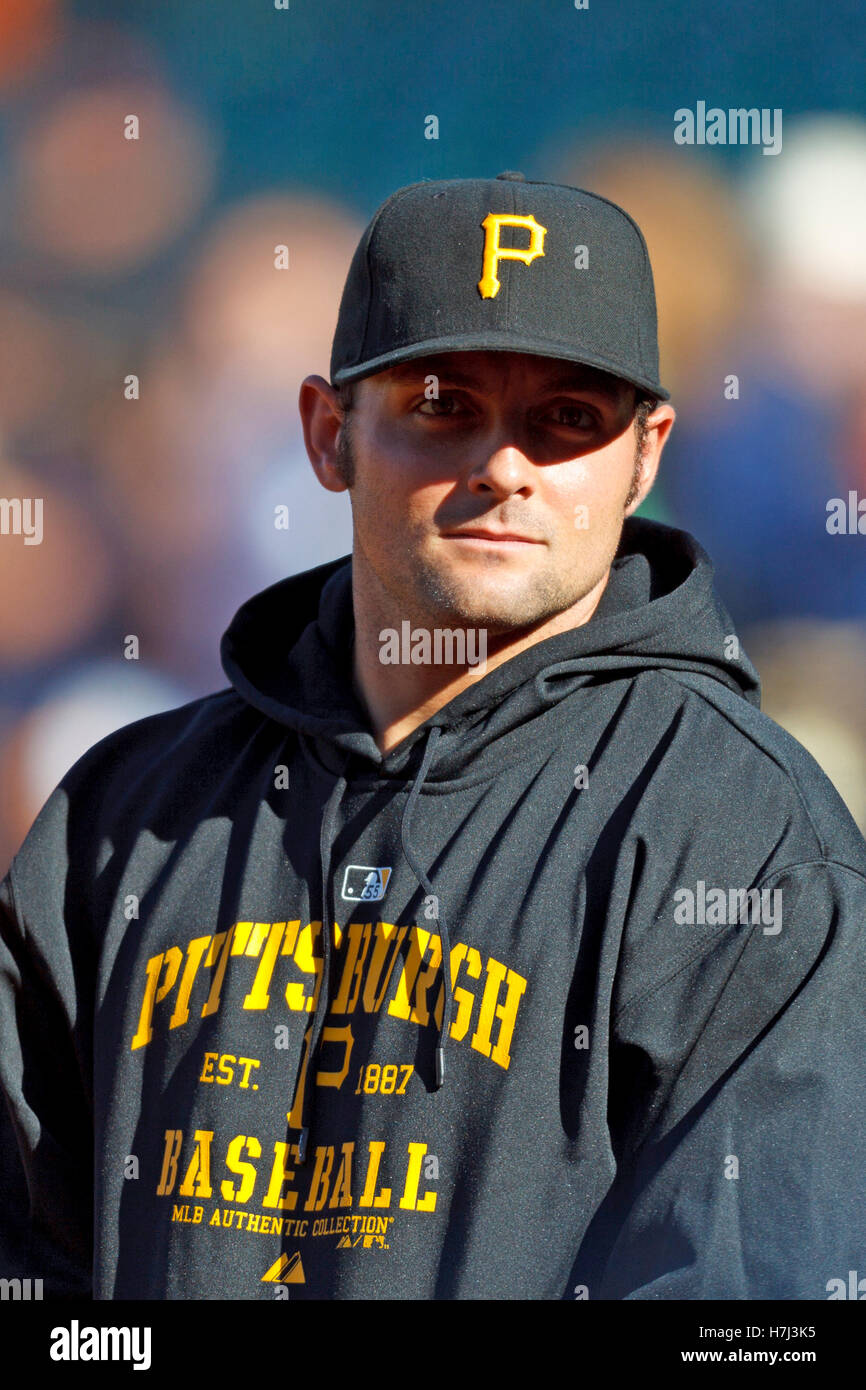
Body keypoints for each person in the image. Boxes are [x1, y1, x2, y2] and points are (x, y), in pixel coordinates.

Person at [1, 172, 865, 1301]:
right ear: (328, 433)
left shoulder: (740, 837)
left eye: (566, 419)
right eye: (443, 404)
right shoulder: (124, 816)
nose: (503, 465)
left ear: (644, 455)